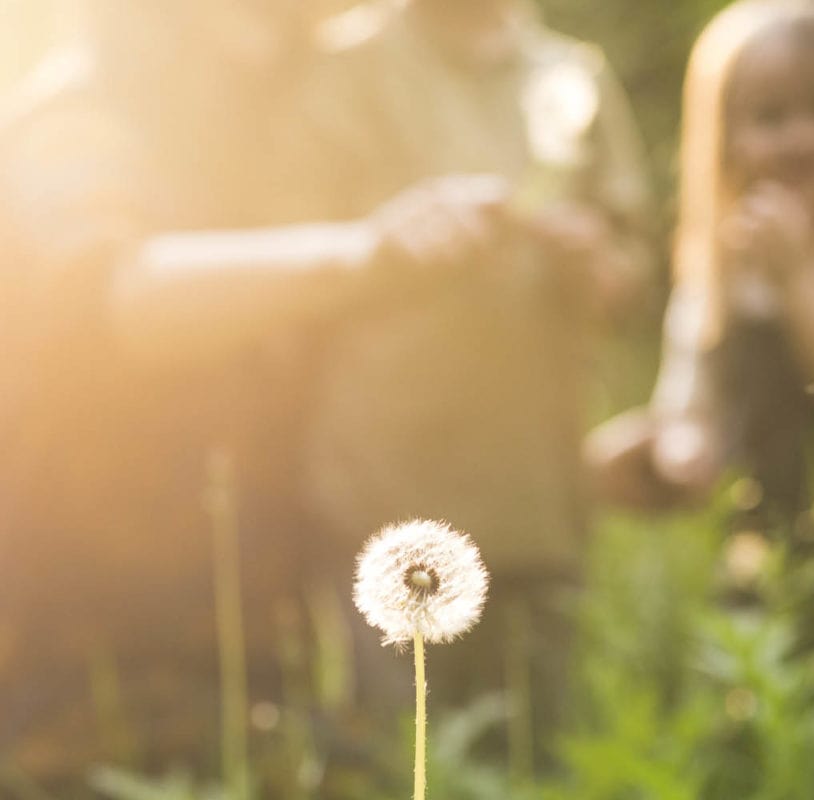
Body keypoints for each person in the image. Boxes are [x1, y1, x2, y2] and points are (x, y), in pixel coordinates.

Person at [107, 0, 654, 769]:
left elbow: (628, 281)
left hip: (539, 502)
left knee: (536, 758)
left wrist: (590, 261)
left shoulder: (574, 75)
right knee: (396, 760)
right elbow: (287, 271)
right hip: (379, 497)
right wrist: (390, 251)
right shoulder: (339, 70)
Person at [0, 0, 380, 784]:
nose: (267, 46)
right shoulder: (78, 115)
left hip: (244, 627)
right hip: (84, 637)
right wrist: (366, 257)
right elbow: (109, 297)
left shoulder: (254, 139)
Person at [587, 0, 814, 533]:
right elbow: (690, 408)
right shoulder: (722, 270)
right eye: (770, 117)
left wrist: (801, 282)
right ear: (725, 140)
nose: (801, 137)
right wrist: (679, 451)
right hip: (753, 560)